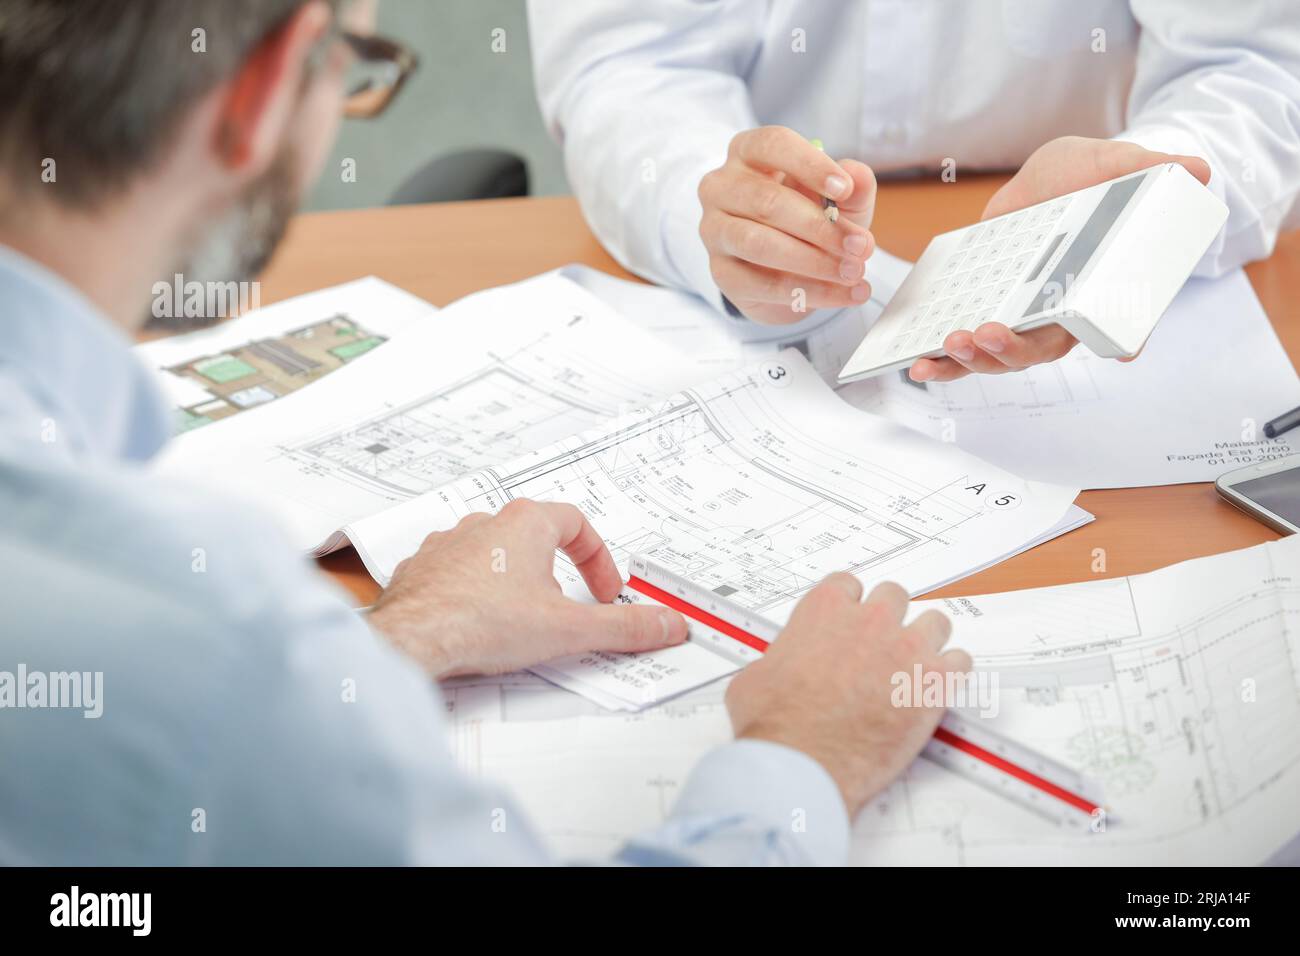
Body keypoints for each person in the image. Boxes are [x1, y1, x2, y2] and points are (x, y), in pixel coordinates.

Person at [0, 0, 969, 865]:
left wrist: (398, 637)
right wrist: (798, 757)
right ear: (264, 88)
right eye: (357, 58)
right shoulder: (214, 635)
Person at [528, 0, 1300, 383]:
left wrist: (1143, 198)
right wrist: (712, 207)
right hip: (768, 208)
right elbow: (628, 62)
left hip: (1074, 201)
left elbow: (1251, 66)